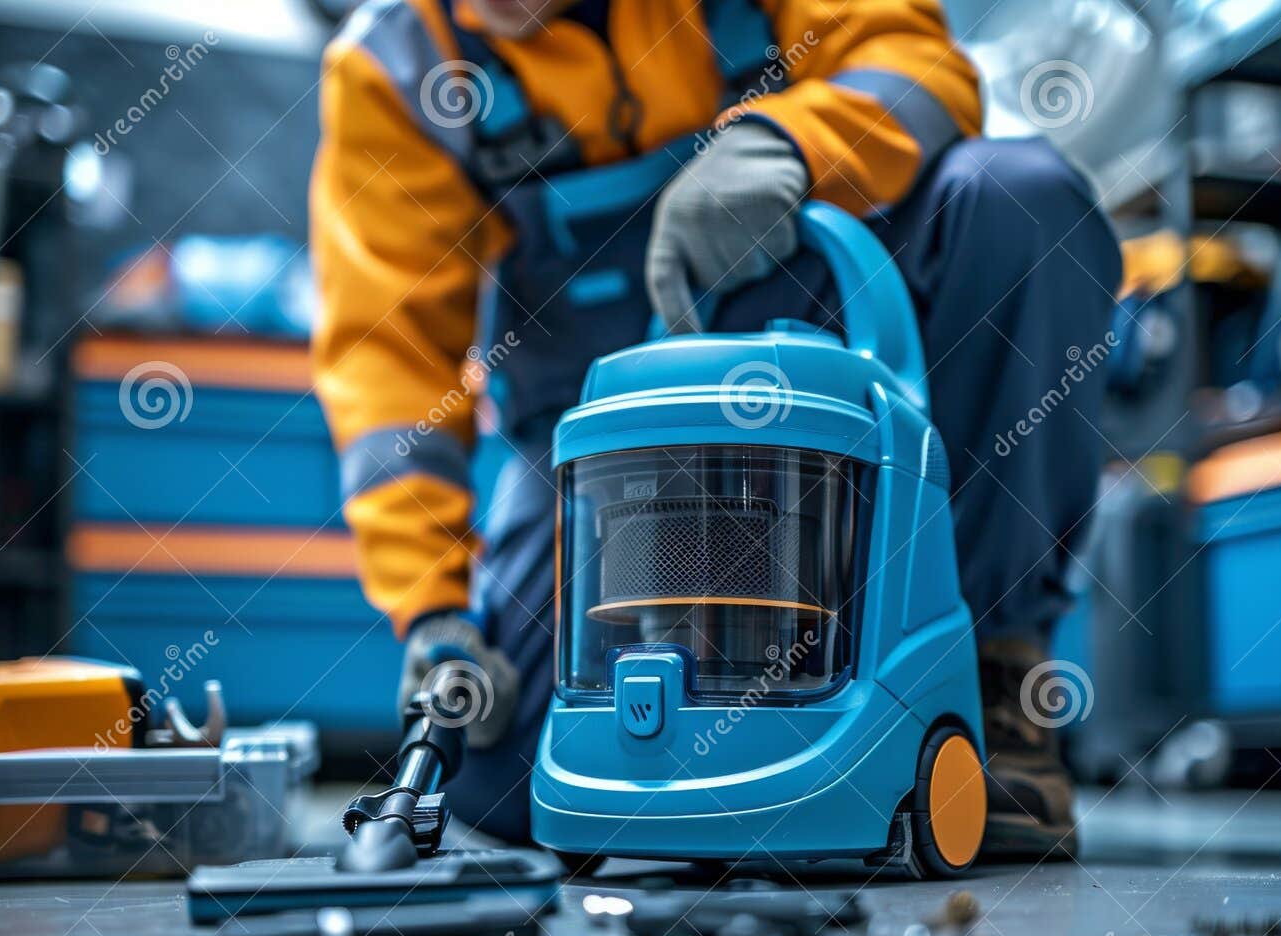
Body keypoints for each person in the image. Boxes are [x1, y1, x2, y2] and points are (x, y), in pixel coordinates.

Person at [311, 0, 1122, 858]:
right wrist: (434, 612)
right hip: (596, 431)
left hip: (807, 348)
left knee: (1019, 202)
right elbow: (388, 365)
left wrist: (793, 141)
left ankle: (990, 685)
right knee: (506, 764)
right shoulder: (399, 65)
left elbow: (914, 59)